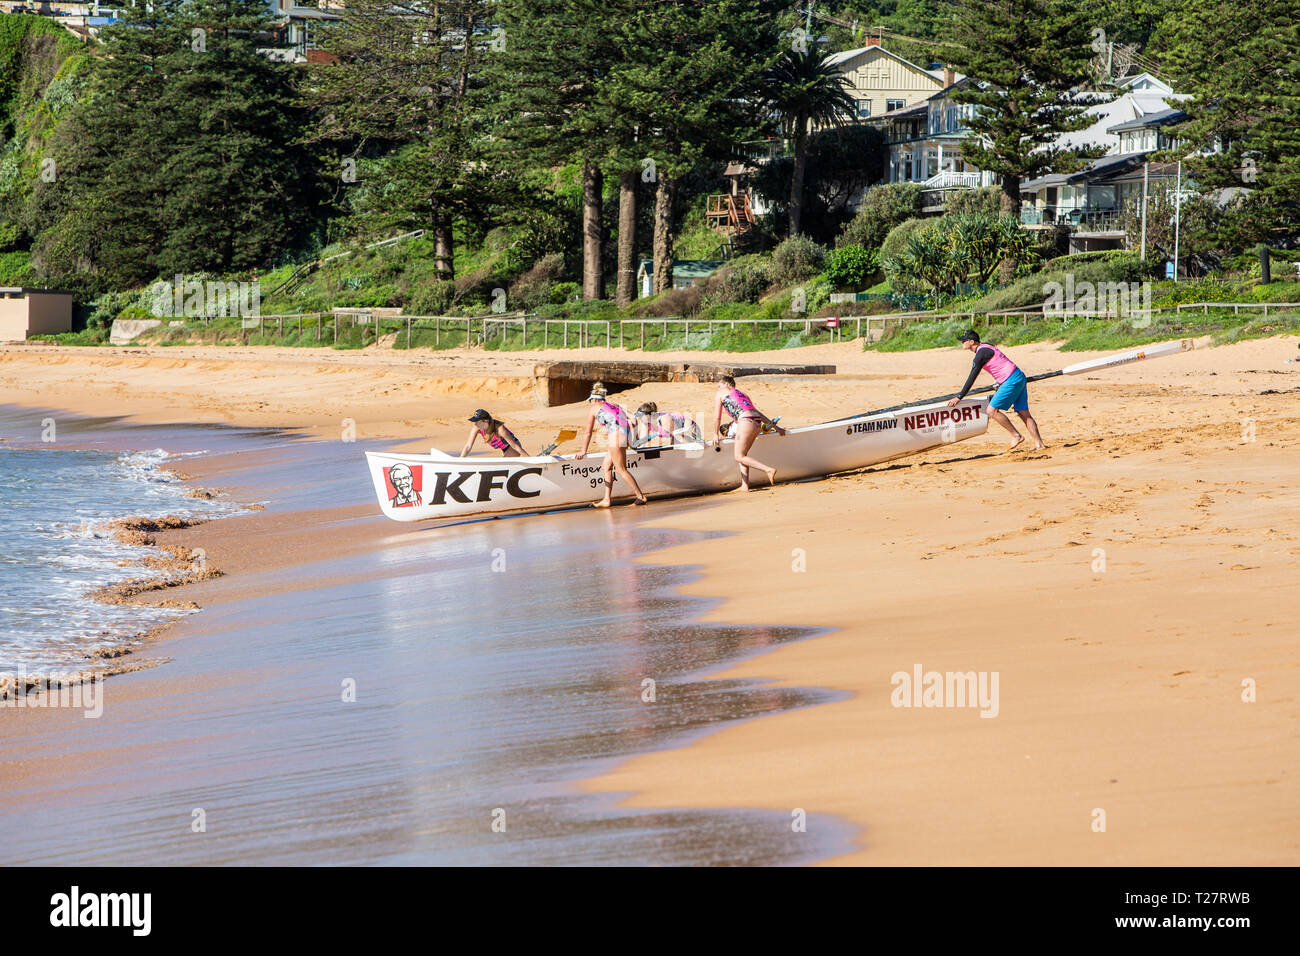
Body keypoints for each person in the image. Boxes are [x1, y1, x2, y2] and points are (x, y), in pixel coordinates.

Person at [947, 330, 1046, 450]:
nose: (962, 342)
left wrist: (959, 396)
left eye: (964, 340)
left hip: (1010, 380)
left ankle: (1016, 435)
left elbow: (972, 377)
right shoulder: (987, 346)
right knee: (1023, 412)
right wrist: (999, 381)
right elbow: (1000, 363)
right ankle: (1039, 444)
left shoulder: (980, 355)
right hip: (1019, 375)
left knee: (991, 411)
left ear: (972, 342)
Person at [574, 383, 648, 508]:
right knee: (606, 467)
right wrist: (635, 438)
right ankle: (606, 499)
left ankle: (641, 497)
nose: (590, 403)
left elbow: (588, 432)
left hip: (616, 437)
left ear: (594, 399)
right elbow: (633, 418)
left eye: (590, 401)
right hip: (624, 435)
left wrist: (583, 451)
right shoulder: (615, 405)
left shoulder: (593, 408)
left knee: (621, 469)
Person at [713, 375, 786, 491]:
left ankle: (768, 470)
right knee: (743, 455)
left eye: (719, 386)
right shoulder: (743, 394)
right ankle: (744, 485)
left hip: (745, 421)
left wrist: (716, 434)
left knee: (739, 456)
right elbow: (758, 413)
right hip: (756, 422)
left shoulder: (721, 392)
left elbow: (717, 417)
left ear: (726, 384)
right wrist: (776, 427)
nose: (718, 388)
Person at [459, 409, 529, 457]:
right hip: (503, 448)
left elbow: (515, 446)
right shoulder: (476, 427)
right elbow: (468, 446)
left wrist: (530, 460)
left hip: (512, 447)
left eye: (477, 421)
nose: (475, 423)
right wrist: (461, 459)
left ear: (485, 421)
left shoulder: (500, 429)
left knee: (503, 467)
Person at [632, 402, 702, 447]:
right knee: (674, 449)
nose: (639, 418)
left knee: (681, 448)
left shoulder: (664, 420)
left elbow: (680, 437)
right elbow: (642, 442)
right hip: (677, 434)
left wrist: (694, 448)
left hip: (690, 430)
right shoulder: (647, 423)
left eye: (640, 416)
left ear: (647, 416)